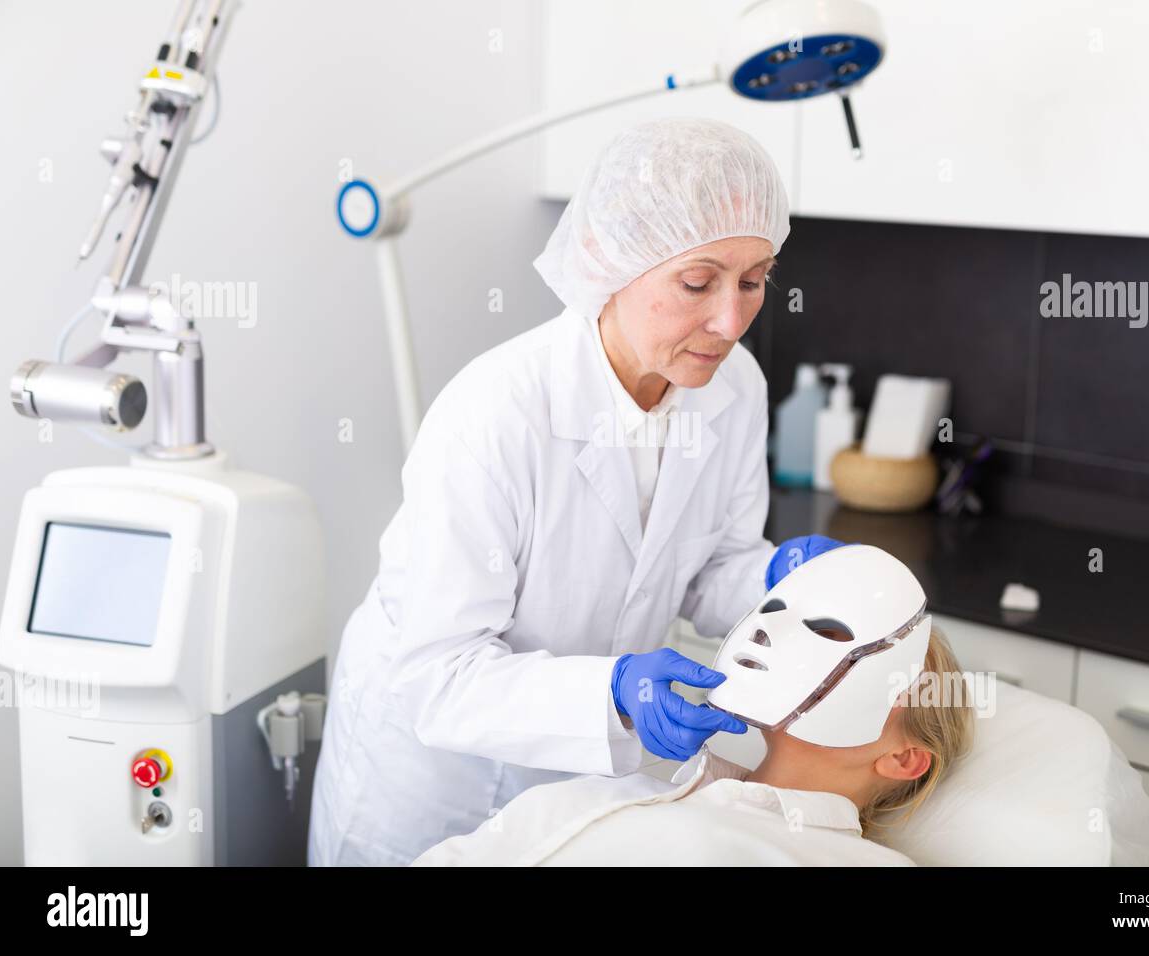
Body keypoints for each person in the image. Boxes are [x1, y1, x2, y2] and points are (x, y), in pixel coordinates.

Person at [308, 115, 843, 865]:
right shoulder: (497, 413)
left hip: (574, 777)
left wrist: (774, 578)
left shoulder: (734, 389)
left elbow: (709, 567)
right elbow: (439, 675)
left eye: (755, 282)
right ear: (607, 260)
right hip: (427, 778)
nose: (730, 321)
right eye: (697, 282)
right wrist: (615, 691)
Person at [412, 627, 975, 866]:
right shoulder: (616, 794)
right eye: (830, 647)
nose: (829, 666)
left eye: (875, 672)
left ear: (904, 759)